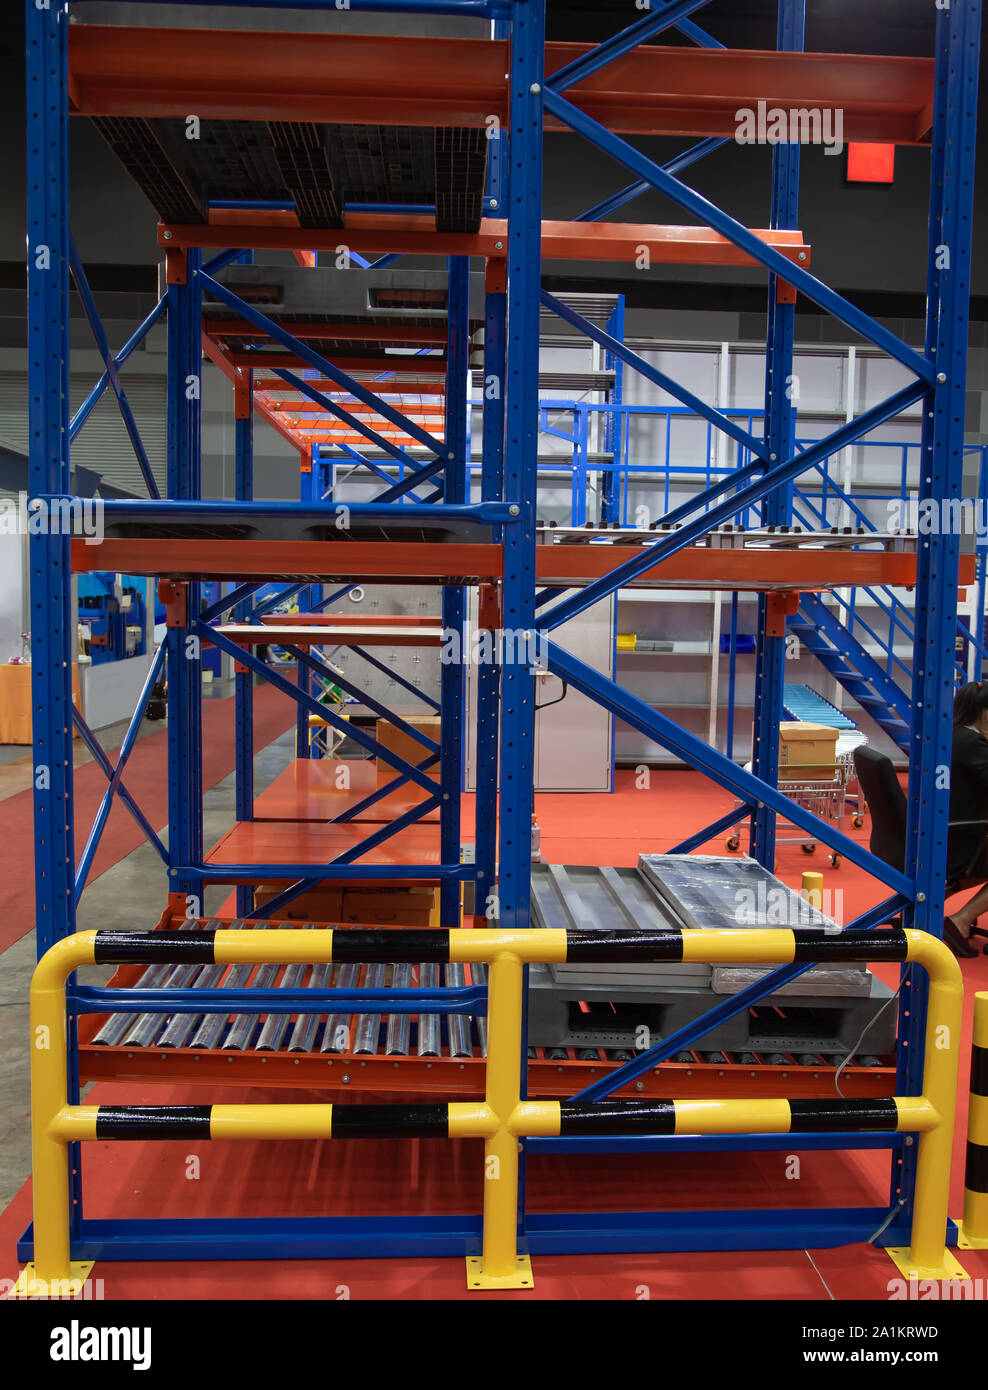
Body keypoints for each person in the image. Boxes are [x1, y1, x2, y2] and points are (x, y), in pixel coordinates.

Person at [944, 681, 988, 957]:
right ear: (985, 713)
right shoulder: (974, 744)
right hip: (962, 843)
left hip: (946, 835)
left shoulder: (954, 736)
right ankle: (959, 922)